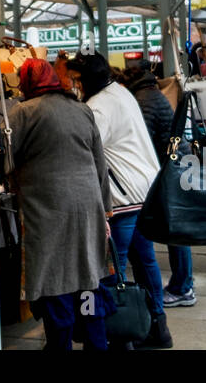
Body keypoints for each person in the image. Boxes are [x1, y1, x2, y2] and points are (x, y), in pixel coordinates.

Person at [0, 59, 110, 350]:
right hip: (88, 207)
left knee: (54, 279)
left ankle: (59, 346)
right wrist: (105, 210)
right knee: (87, 278)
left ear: (27, 83)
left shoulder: (24, 112)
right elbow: (100, 163)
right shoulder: (81, 109)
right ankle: (97, 344)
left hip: (49, 211)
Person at [70, 54, 172, 348]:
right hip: (145, 191)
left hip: (124, 195)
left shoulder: (98, 107)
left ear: (87, 80)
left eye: (76, 79)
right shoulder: (120, 92)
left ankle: (119, 334)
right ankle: (157, 327)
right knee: (145, 261)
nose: (74, 85)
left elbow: (85, 149)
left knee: (115, 268)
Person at [121, 61, 195, 308]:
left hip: (171, 168)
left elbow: (142, 140)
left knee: (175, 230)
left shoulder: (143, 100)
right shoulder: (151, 93)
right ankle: (183, 285)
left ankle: (183, 288)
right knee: (176, 228)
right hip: (177, 164)